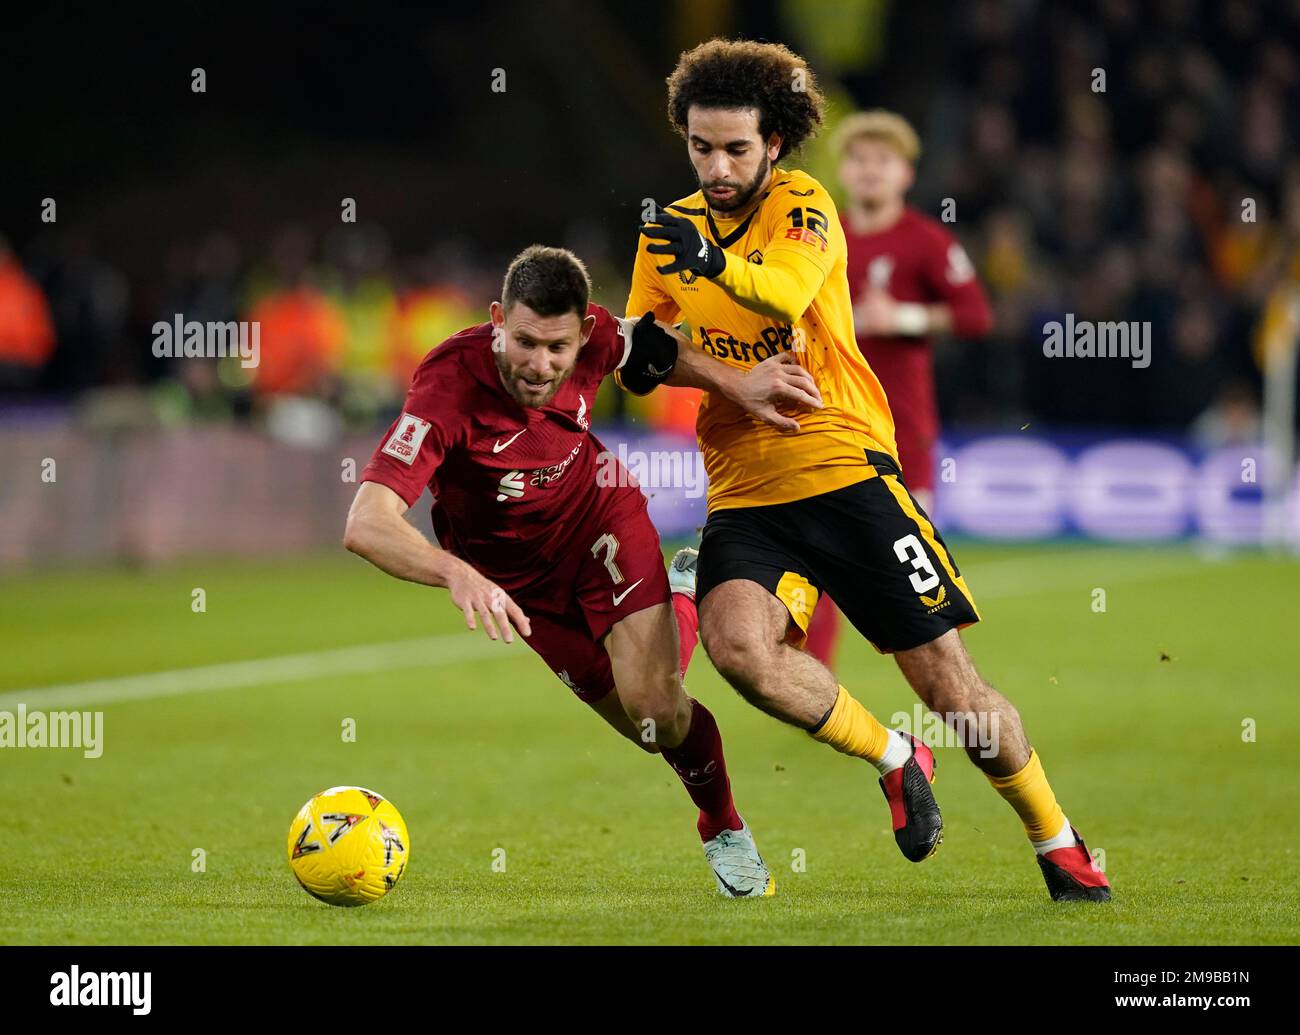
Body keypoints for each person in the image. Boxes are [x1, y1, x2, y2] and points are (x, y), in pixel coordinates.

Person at [631, 39, 1109, 901]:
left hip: (846, 465)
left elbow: (779, 292)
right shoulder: (665, 228)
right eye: (701, 146)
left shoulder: (806, 204)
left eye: (736, 147)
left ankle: (1057, 837)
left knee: (947, 683)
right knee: (740, 650)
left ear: (774, 142)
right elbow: (646, 349)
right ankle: (895, 755)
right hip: (745, 486)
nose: (717, 165)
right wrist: (718, 374)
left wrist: (703, 264)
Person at [344, 244, 817, 897]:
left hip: (600, 521)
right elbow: (366, 522)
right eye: (524, 342)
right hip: (519, 582)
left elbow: (655, 347)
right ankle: (683, 598)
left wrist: (738, 383)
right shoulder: (446, 390)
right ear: (495, 321)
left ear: (584, 336)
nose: (539, 364)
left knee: (657, 703)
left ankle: (723, 825)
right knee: (653, 728)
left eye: (557, 348)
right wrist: (456, 572)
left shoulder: (599, 338)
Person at [804, 109, 994, 668]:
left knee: (911, 566)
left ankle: (946, 672)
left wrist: (904, 318)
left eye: (882, 161)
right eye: (858, 160)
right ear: (842, 169)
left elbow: (977, 316)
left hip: (901, 426)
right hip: (829, 418)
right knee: (817, 552)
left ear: (905, 174)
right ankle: (816, 679)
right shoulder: (819, 237)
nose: (869, 171)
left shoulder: (926, 241)